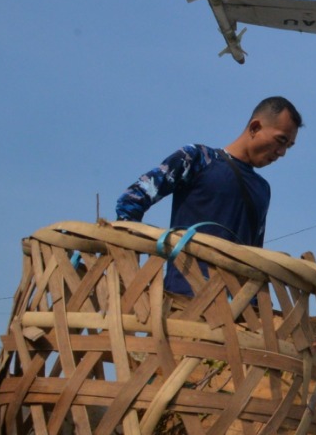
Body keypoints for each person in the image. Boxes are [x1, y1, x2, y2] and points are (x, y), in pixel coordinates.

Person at [115, 96, 301, 294]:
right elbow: (133, 198)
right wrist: (128, 262)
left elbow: (255, 252)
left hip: (239, 312)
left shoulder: (262, 189)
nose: (281, 152)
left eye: (288, 146)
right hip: (186, 300)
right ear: (255, 127)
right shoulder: (198, 158)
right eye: (280, 140)